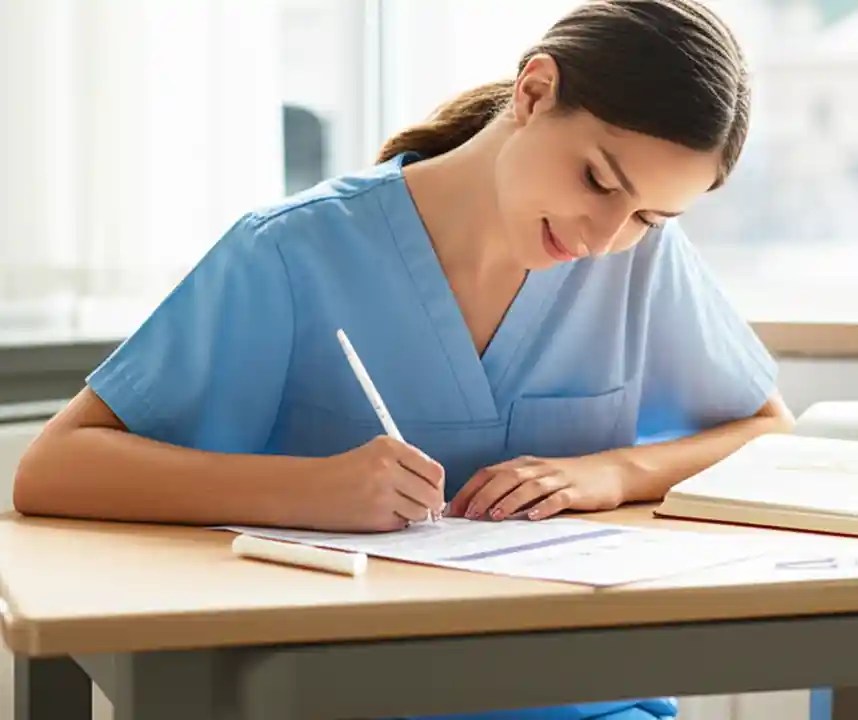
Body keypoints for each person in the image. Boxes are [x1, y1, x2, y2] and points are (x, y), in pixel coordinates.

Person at [14, 1, 794, 717]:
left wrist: (613, 471)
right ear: (532, 94)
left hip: (585, 698)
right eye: (597, 179)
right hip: (345, 694)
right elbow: (55, 470)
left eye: (649, 216)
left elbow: (766, 432)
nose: (602, 237)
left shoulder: (641, 262)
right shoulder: (295, 251)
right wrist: (311, 489)